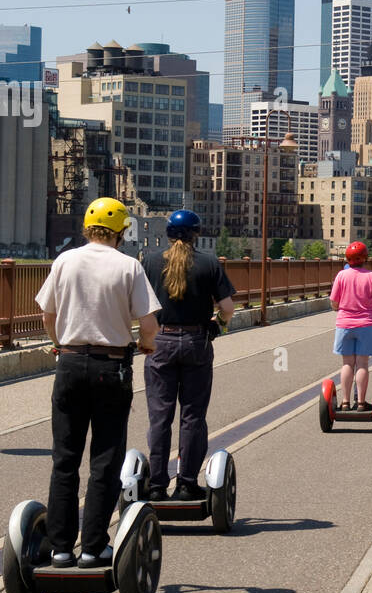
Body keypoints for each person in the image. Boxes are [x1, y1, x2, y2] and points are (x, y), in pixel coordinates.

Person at [35, 198, 161, 567]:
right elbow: (149, 325)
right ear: (122, 231)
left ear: (87, 229)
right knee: (105, 460)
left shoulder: (64, 261)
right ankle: (92, 547)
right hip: (111, 367)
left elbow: (48, 315)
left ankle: (59, 548)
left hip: (70, 364)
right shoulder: (128, 267)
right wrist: (145, 345)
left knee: (65, 459)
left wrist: (59, 343)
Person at [141, 210, 236, 500]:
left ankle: (156, 485)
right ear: (196, 233)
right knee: (193, 416)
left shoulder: (151, 261)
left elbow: (141, 306)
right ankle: (186, 483)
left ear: (169, 234)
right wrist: (219, 325)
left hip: (161, 341)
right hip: (196, 341)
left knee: (160, 416)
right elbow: (228, 307)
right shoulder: (209, 262)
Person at [329, 240, 372, 409]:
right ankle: (361, 402)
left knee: (347, 363)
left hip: (344, 324)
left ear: (348, 258)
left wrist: (339, 308)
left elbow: (333, 302)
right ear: (365, 258)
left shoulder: (341, 275)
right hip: (366, 325)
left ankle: (345, 402)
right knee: (362, 363)